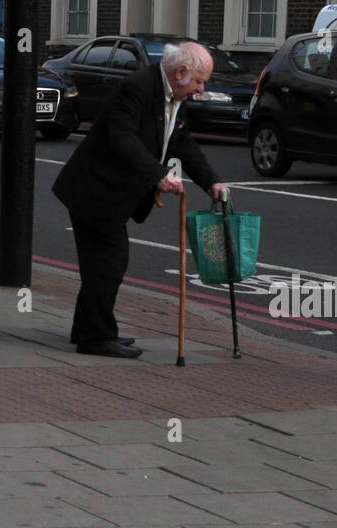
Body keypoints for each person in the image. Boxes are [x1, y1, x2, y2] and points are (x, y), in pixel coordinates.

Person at [52, 42, 228, 357]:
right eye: (200, 81)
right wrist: (158, 174)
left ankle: (87, 330)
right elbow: (121, 137)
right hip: (95, 189)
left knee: (100, 264)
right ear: (181, 72)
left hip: (111, 193)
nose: (201, 89)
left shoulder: (174, 95)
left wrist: (211, 181)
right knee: (109, 262)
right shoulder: (137, 88)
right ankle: (96, 338)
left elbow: (183, 143)